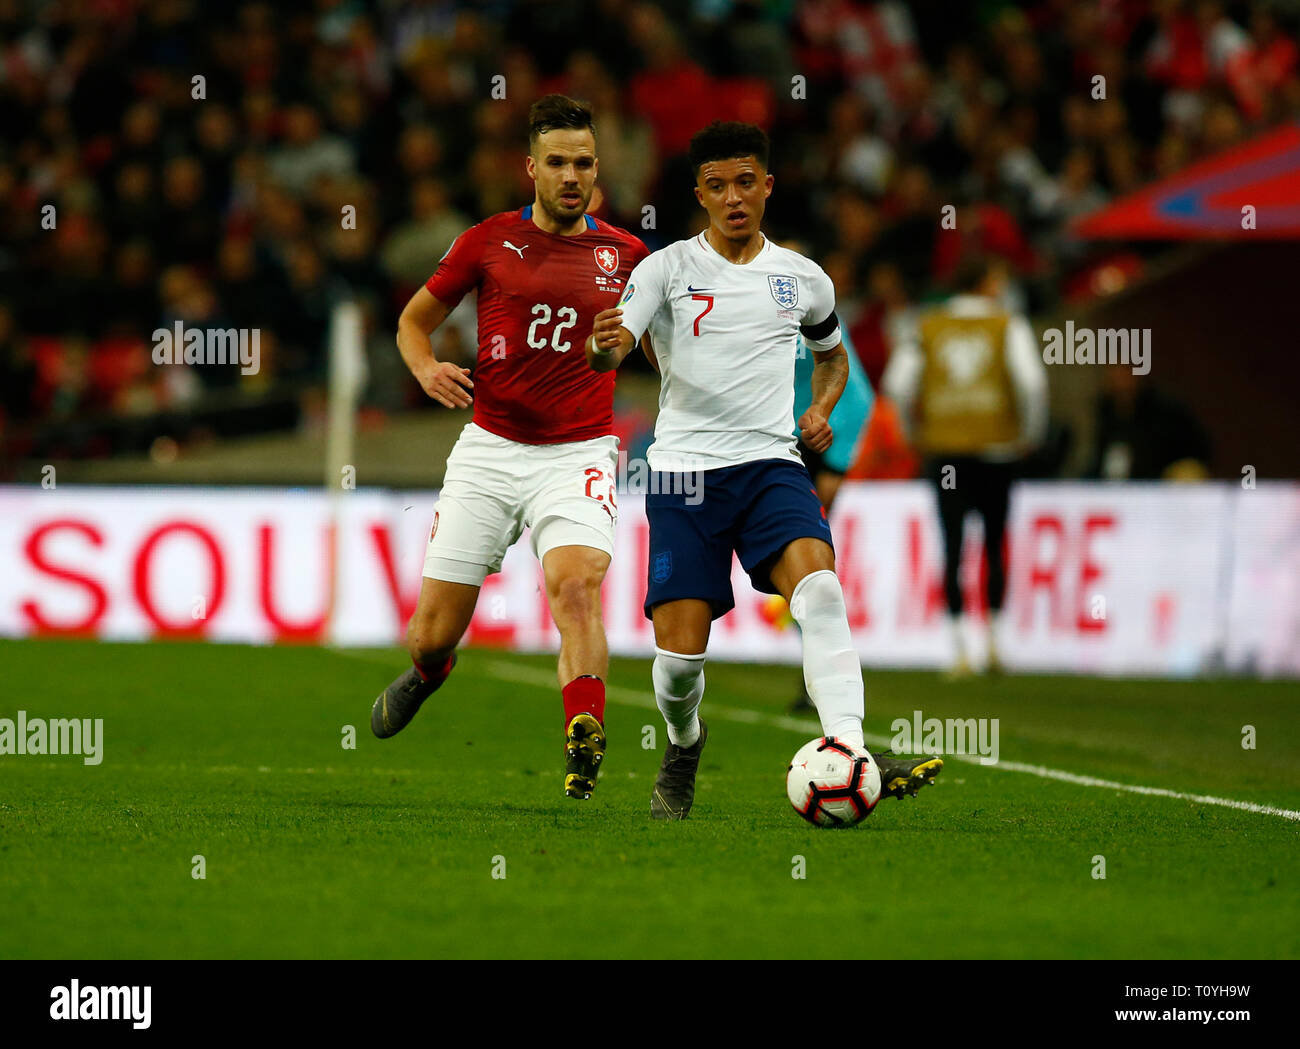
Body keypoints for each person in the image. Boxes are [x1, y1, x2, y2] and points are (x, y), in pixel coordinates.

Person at [586, 121, 942, 820]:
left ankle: (848, 748)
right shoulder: (664, 270)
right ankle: (684, 745)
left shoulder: (802, 279)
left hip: (771, 465)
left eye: (745, 181)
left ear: (767, 185)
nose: (733, 197)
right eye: (717, 186)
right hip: (685, 478)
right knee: (682, 665)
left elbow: (834, 357)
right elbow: (617, 345)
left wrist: (822, 408)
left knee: (821, 592)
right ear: (699, 193)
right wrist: (605, 347)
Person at [370, 95, 649, 803]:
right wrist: (426, 366)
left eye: (583, 163)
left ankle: (583, 731)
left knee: (578, 588)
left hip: (578, 452)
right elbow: (412, 322)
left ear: (596, 170)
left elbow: (650, 346)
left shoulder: (629, 257)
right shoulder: (487, 241)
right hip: (490, 449)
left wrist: (616, 349)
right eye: (557, 162)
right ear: (531, 167)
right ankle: (432, 672)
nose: (570, 175)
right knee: (430, 635)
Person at [883, 254, 1048, 676]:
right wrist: (1029, 432)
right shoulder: (1007, 324)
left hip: (946, 451)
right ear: (988, 281)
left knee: (952, 545)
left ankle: (957, 649)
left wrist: (910, 433)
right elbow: (1031, 382)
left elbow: (897, 386)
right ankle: (994, 642)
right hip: (997, 449)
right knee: (995, 544)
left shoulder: (928, 325)